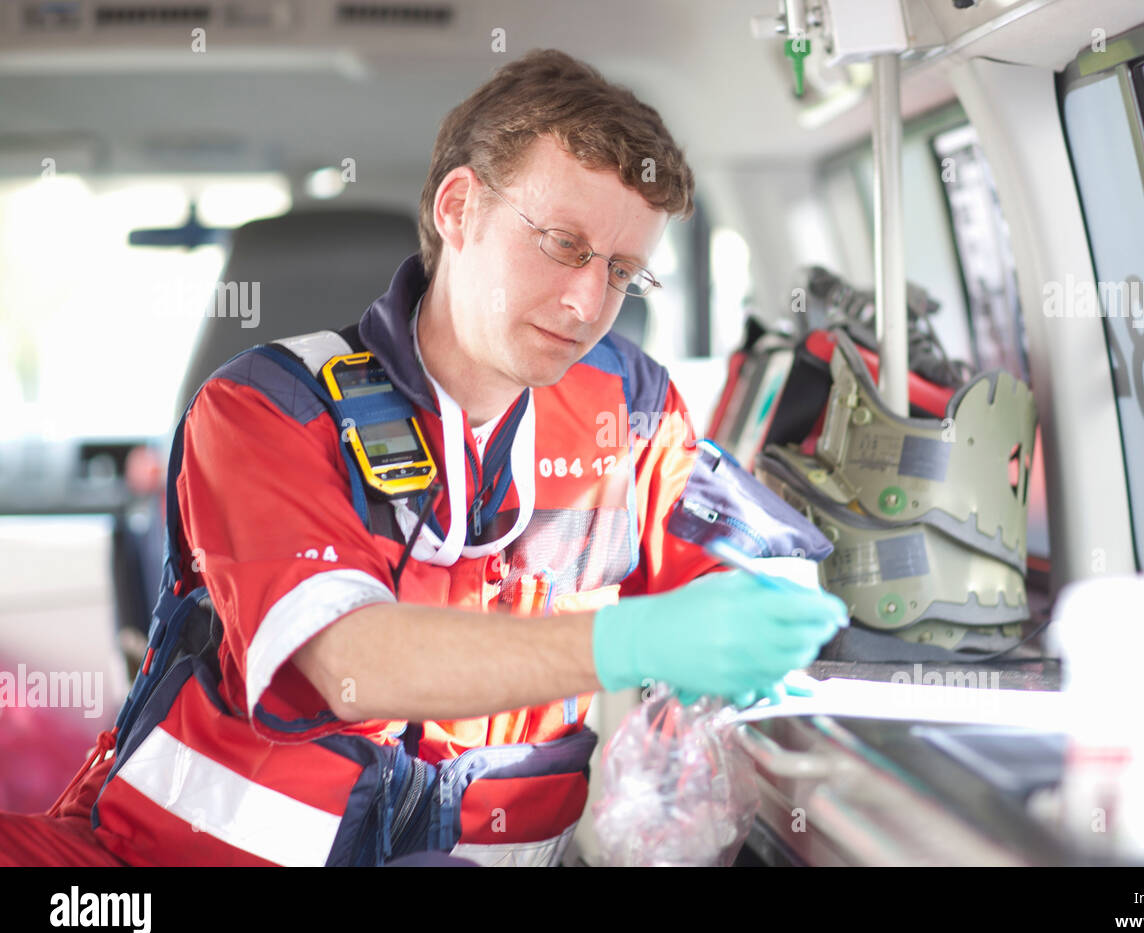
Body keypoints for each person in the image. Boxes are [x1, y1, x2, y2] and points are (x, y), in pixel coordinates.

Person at [0, 48, 845, 867]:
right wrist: (631, 639)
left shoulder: (629, 407)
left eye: (623, 270)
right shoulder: (265, 409)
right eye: (562, 243)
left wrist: (768, 613)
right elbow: (352, 666)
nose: (590, 301)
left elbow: (746, 571)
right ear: (458, 209)